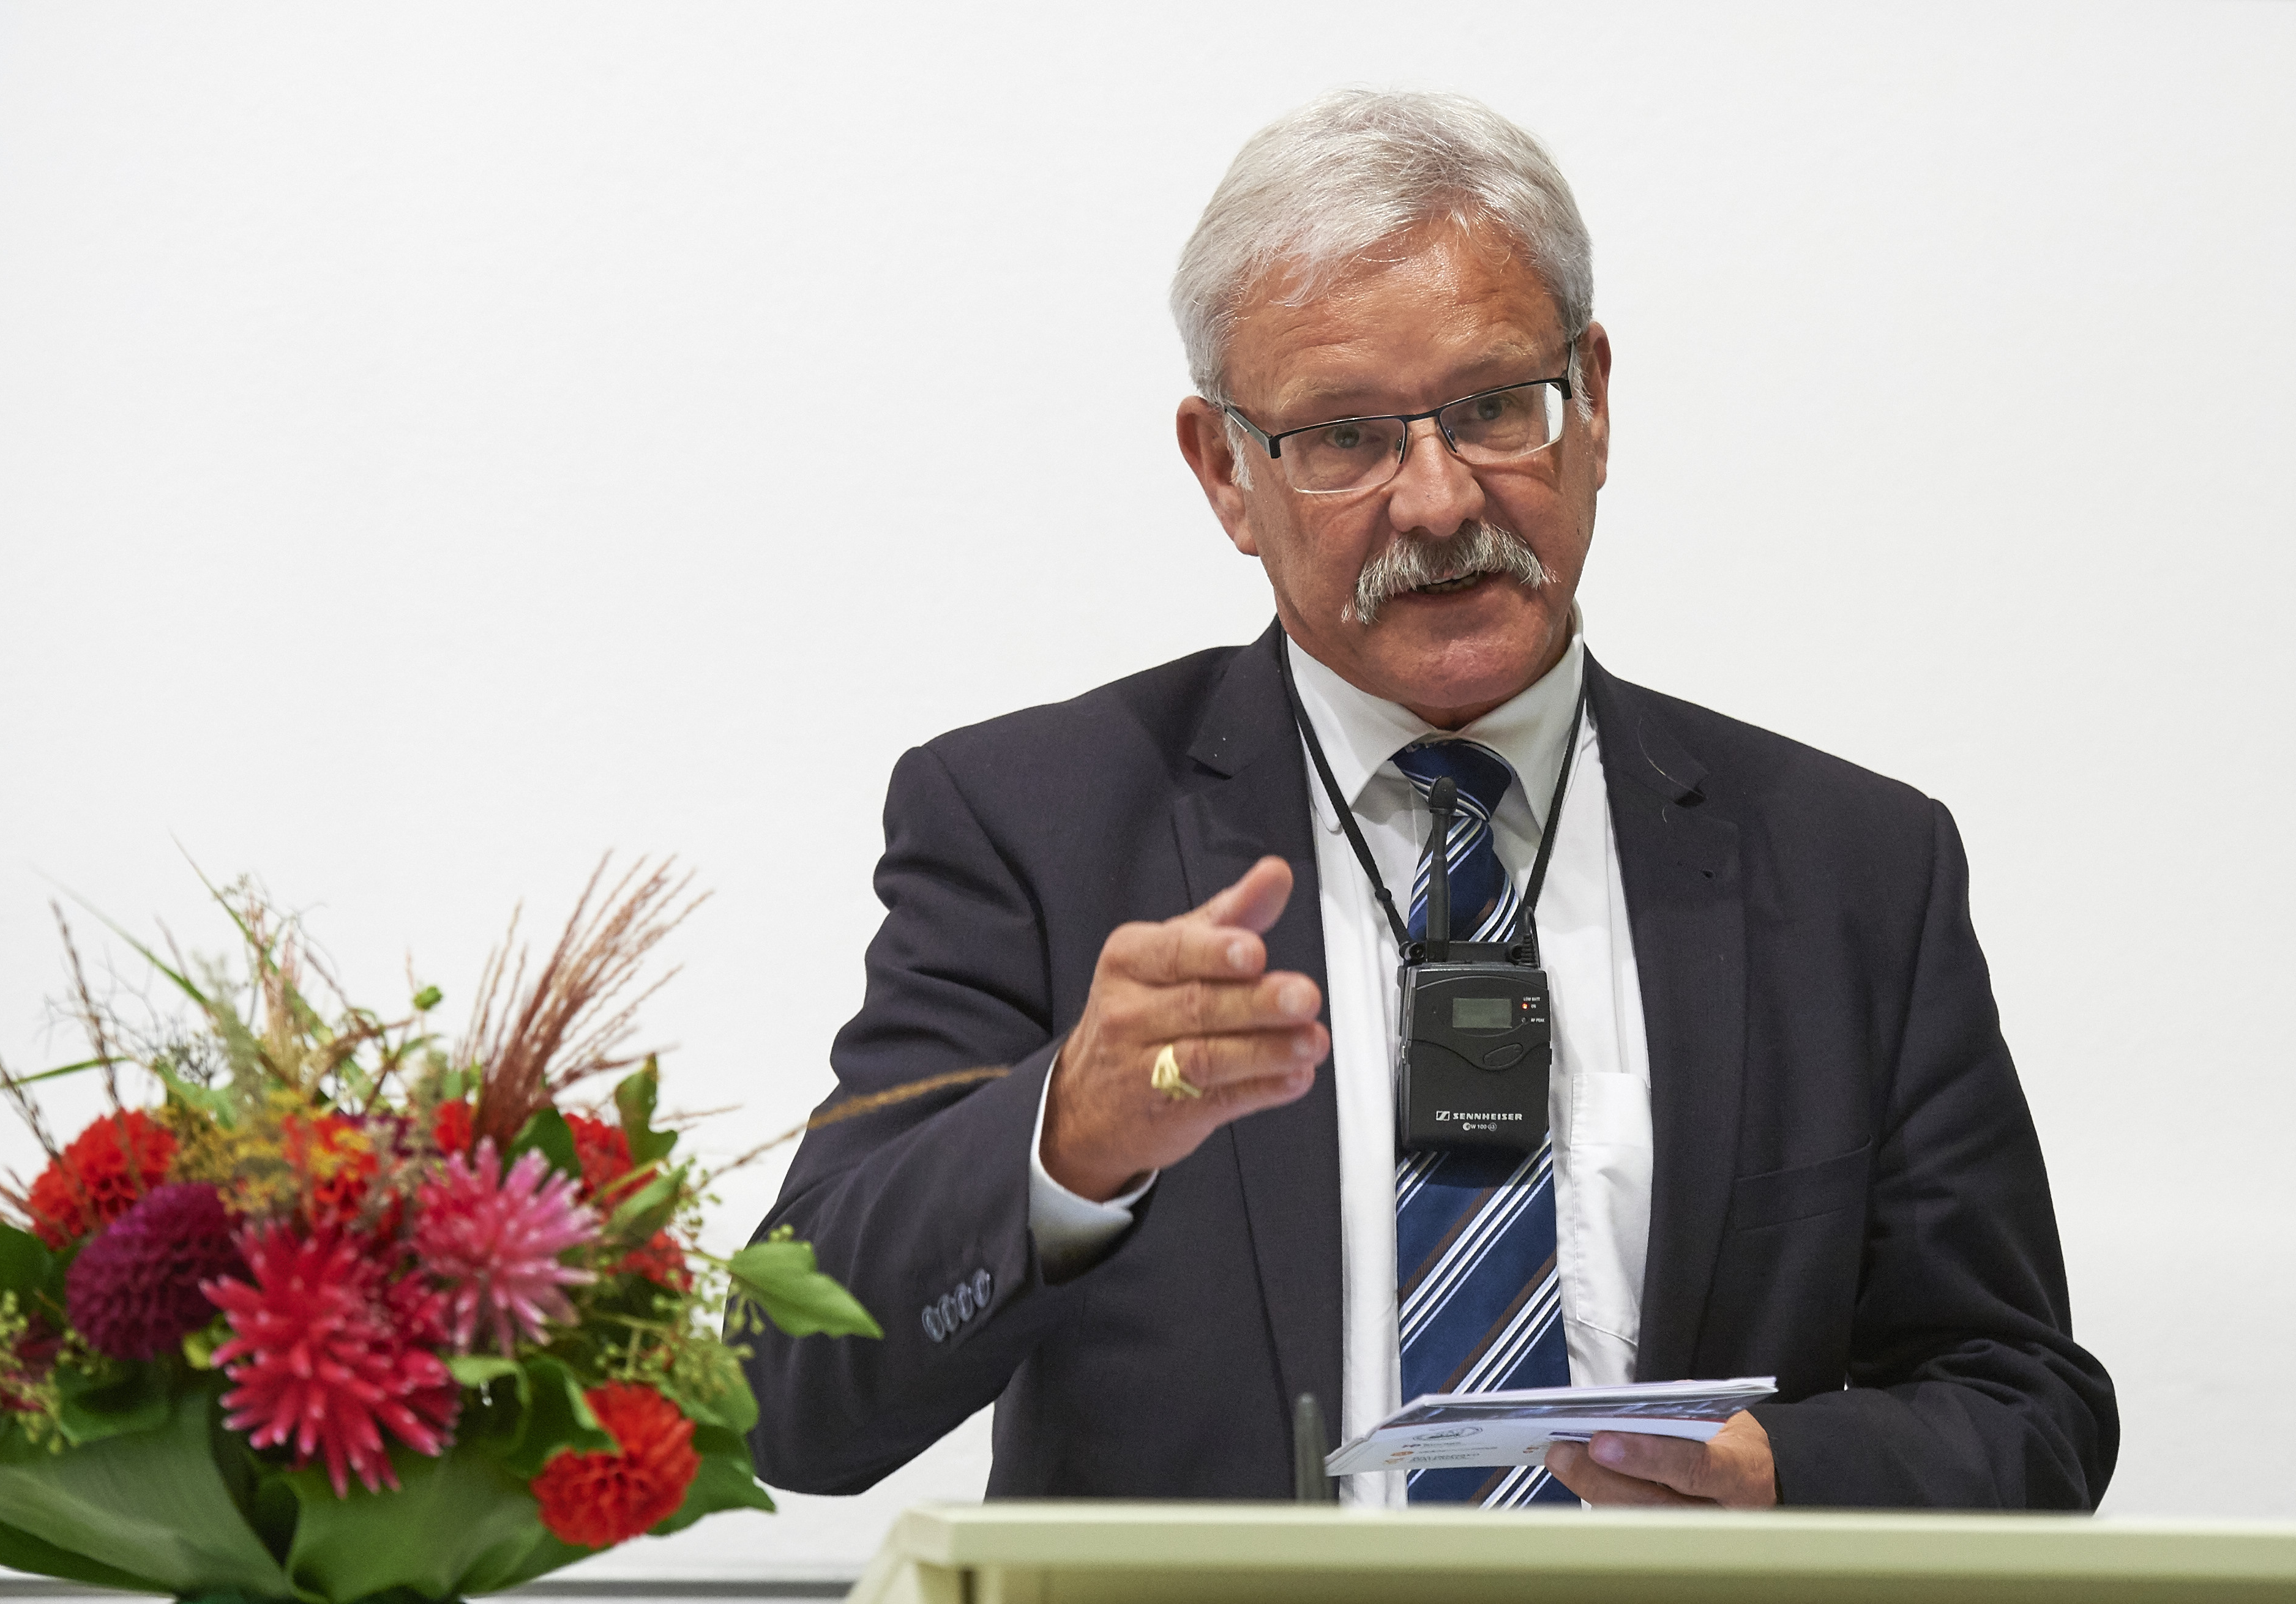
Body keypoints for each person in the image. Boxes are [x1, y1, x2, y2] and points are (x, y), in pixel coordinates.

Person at [743, 89, 2117, 1510]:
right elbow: (790, 1402)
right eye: (1342, 437)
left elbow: (2025, 1413)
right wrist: (1062, 1143)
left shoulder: (1851, 869)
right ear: (1224, 470)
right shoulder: (1031, 825)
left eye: (1490, 408)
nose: (1438, 498)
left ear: (1589, 400)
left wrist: (1788, 1481)